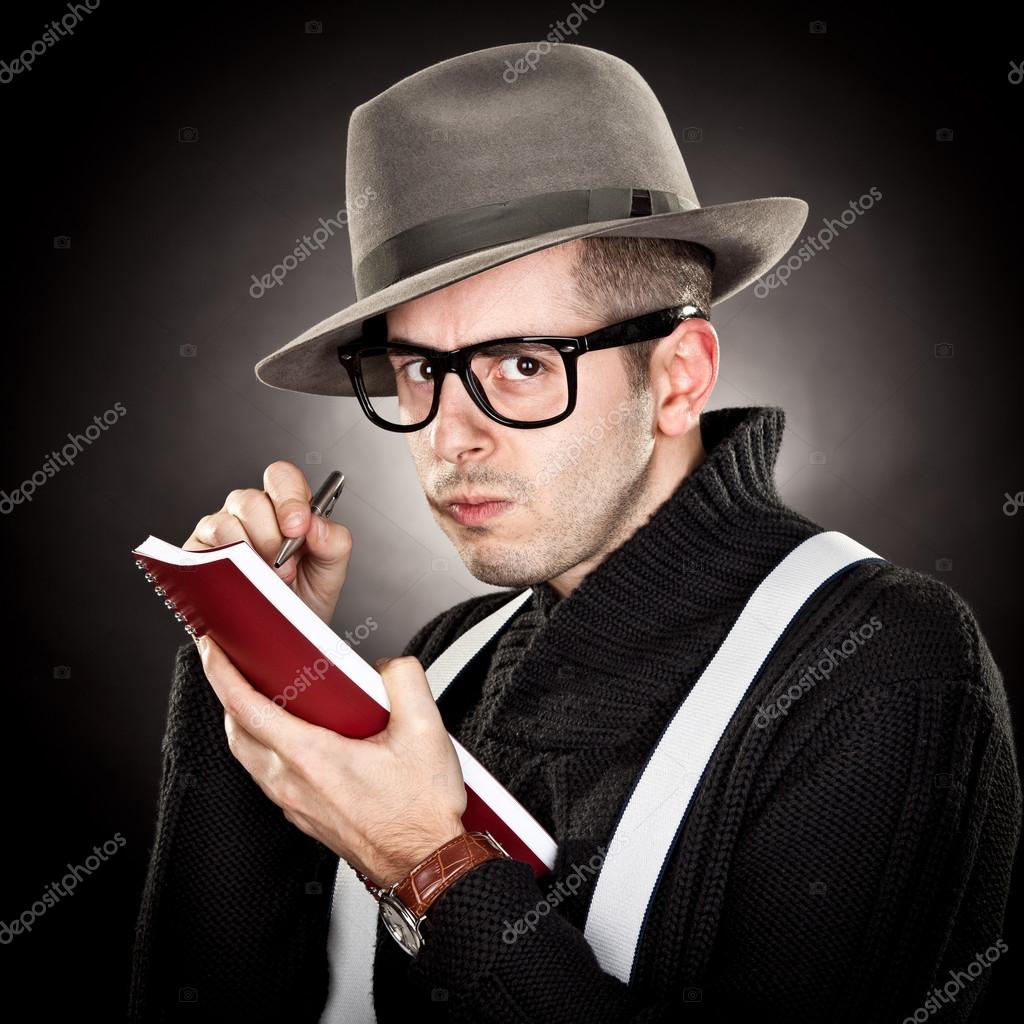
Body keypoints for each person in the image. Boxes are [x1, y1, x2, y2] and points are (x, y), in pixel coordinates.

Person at [129, 42, 1021, 1023]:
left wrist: (430, 869)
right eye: (418, 371)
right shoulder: (444, 663)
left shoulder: (883, 668)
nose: (448, 437)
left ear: (677, 377)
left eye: (517, 363)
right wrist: (257, 679)